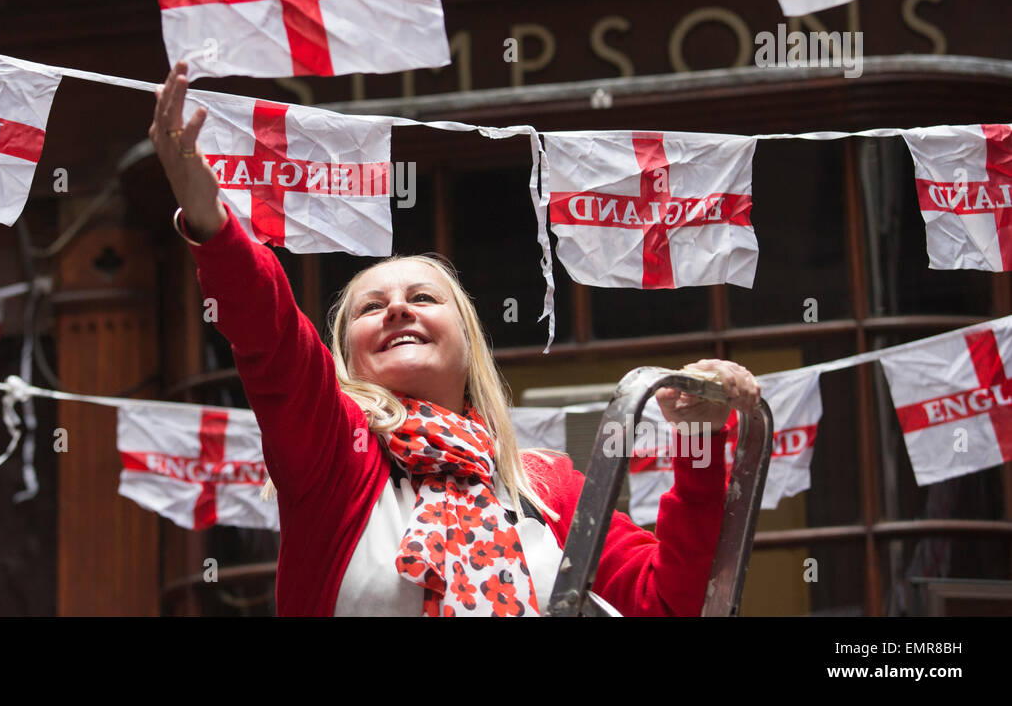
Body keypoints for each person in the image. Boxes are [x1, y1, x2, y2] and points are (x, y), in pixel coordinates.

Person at [150, 60, 762, 617]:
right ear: (348, 358)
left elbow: (676, 604)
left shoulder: (550, 485)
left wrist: (700, 442)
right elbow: (274, 338)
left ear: (468, 343)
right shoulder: (335, 452)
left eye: (422, 299)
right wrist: (216, 228)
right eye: (371, 307)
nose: (396, 310)